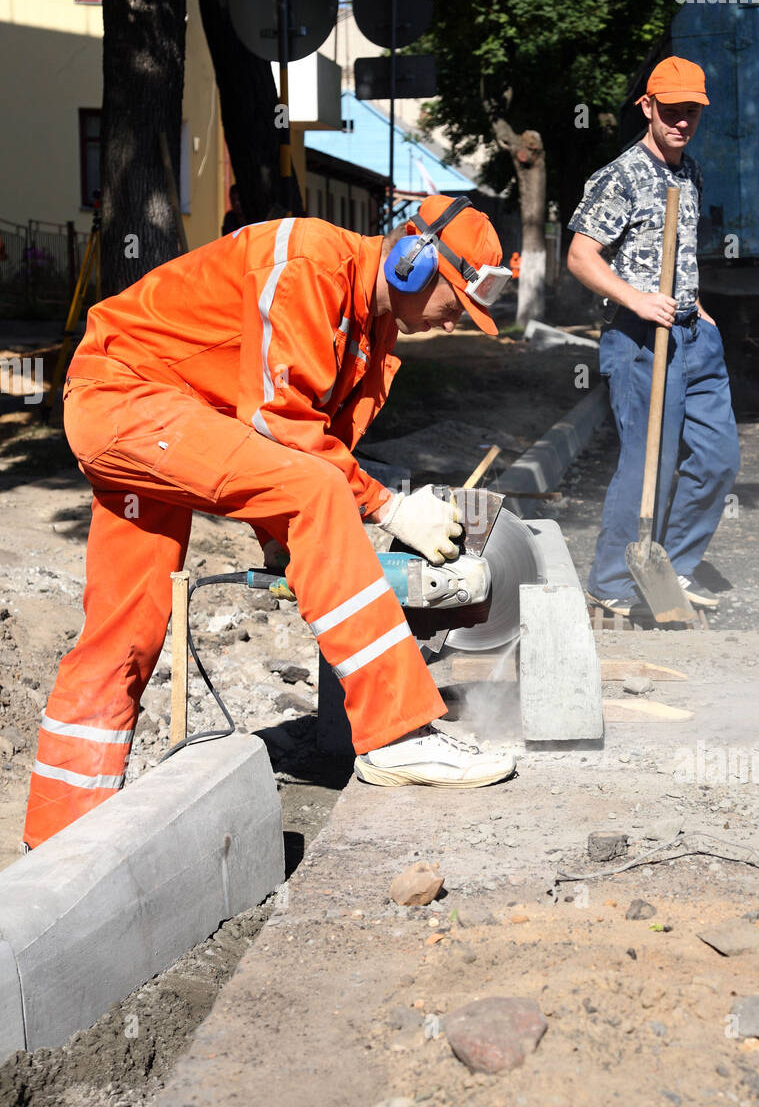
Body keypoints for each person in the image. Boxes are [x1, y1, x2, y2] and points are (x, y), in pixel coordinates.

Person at [23, 196, 516, 849]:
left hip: (161, 415)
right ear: (411, 262)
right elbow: (283, 433)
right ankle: (398, 734)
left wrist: (287, 547)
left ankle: (59, 843)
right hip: (125, 398)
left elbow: (304, 446)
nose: (454, 325)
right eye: (456, 306)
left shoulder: (376, 342)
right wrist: (392, 507)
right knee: (316, 491)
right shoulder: (311, 262)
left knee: (127, 625)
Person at [567, 56, 739, 617]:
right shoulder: (619, 176)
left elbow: (679, 255)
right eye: (671, 111)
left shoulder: (690, 172)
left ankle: (674, 568)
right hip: (639, 339)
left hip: (692, 337)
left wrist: (698, 306)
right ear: (648, 107)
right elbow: (580, 256)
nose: (681, 122)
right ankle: (611, 582)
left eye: (690, 111)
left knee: (718, 459)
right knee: (649, 462)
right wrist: (637, 300)